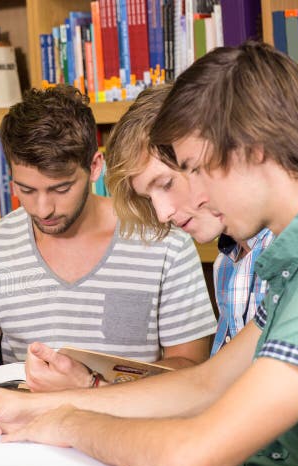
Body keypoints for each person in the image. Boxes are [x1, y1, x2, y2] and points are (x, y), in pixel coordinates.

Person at [0, 41, 298, 466]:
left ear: (252, 150)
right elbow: (205, 384)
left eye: (195, 170)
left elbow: (189, 458)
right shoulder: (289, 271)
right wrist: (27, 407)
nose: (187, 200)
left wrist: (66, 423)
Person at [0, 84, 215, 390]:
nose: (43, 208)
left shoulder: (165, 241)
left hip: (129, 426)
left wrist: (89, 386)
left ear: (94, 167)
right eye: (26, 189)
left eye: (60, 189)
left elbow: (190, 369)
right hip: (22, 428)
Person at [105, 83, 273, 356]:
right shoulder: (226, 265)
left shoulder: (285, 254)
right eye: (149, 198)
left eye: (167, 184)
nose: (162, 214)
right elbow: (220, 383)